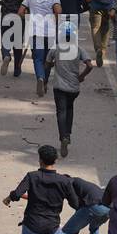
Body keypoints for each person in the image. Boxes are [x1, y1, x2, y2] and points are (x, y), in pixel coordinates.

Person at [45, 21, 93, 157]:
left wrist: (44, 81)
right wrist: (81, 76)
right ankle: (68, 134)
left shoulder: (55, 49)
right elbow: (90, 65)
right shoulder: (79, 49)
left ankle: (63, 137)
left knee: (61, 112)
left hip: (59, 87)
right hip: (74, 88)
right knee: (70, 109)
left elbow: (47, 65)